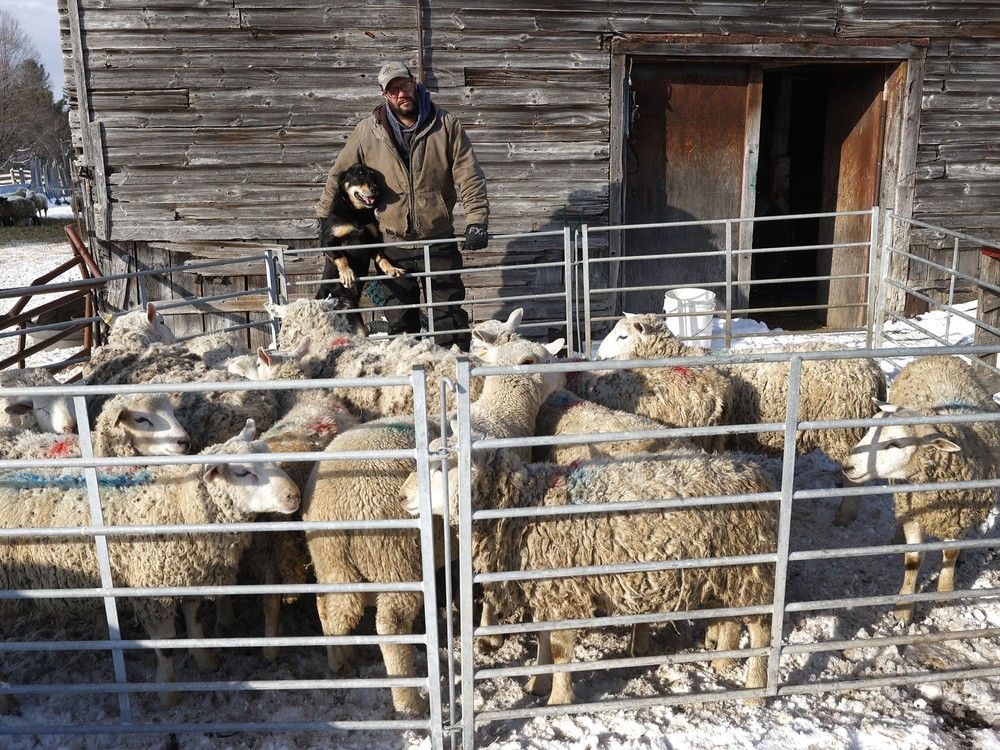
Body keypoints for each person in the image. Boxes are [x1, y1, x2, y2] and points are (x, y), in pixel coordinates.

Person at [315, 61, 489, 350]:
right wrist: (324, 216)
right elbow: (339, 173)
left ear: (414, 83)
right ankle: (412, 388)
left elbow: (468, 174)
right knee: (401, 324)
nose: (401, 94)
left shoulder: (445, 125)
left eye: (404, 86)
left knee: (450, 317)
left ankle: (457, 383)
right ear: (384, 95)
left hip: (438, 237)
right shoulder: (368, 131)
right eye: (392, 90)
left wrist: (477, 220)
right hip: (393, 241)